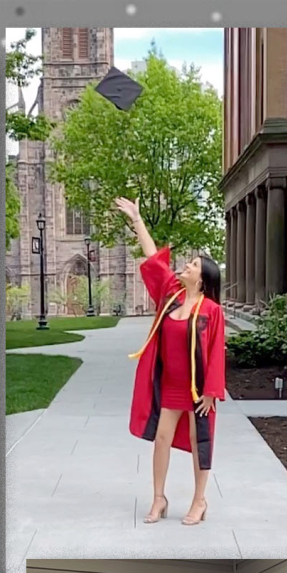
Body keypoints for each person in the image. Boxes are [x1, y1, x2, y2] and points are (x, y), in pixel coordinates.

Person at [115, 196, 227, 527]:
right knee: (161, 440)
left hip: (198, 391)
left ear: (203, 278)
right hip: (170, 387)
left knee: (199, 442)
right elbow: (154, 258)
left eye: (193, 264)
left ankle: (199, 500)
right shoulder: (171, 296)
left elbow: (216, 353)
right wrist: (137, 219)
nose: (186, 266)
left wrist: (212, 392)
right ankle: (159, 498)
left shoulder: (211, 311)